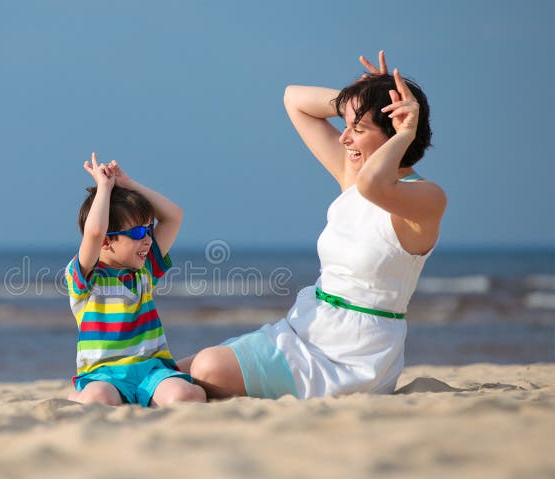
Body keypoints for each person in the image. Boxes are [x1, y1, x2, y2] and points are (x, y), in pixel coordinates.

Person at [178, 51, 446, 399]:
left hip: (354, 356)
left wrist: (404, 132)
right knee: (166, 371)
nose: (343, 137)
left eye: (358, 129)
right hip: (305, 328)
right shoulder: (356, 175)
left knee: (207, 368)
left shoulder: (426, 197)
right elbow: (294, 99)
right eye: (347, 125)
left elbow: (374, 187)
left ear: (398, 132)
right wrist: (358, 102)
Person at [65, 152, 207, 407]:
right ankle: (78, 394)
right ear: (107, 242)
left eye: (148, 229)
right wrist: (104, 189)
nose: (148, 239)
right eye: (139, 232)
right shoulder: (86, 278)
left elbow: (174, 216)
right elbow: (95, 232)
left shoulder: (144, 269)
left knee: (187, 395)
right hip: (104, 376)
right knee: (97, 398)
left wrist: (129, 185)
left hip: (152, 371)